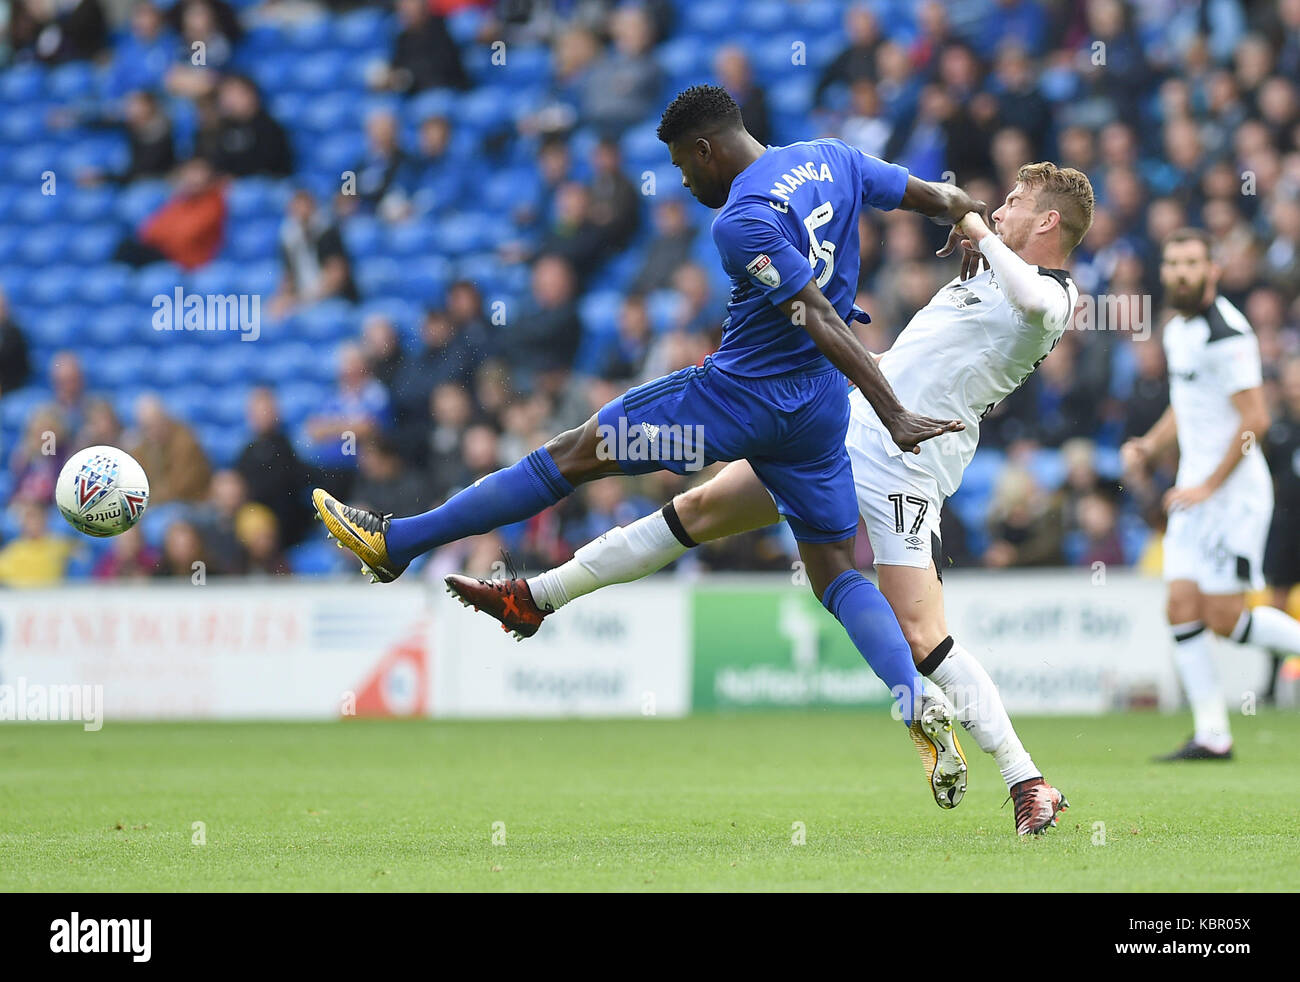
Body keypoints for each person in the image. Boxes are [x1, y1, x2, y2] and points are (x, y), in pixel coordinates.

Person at [315, 85, 979, 809]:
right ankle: (913, 696)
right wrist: (975, 221)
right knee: (833, 573)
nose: (684, 182)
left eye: (681, 165)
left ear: (705, 149)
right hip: (817, 411)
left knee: (570, 454)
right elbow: (932, 195)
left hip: (731, 404)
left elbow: (816, 314)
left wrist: (895, 413)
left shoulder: (742, 220)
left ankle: (399, 542)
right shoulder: (836, 158)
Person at [448, 162, 1092, 836]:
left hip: (909, 466)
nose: (1000, 209)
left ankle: (1027, 780)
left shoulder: (1056, 294)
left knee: (924, 636)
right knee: (696, 511)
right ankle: (537, 597)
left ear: (1047, 221)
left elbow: (1034, 303)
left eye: (1014, 203)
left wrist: (978, 230)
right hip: (847, 429)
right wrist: (977, 242)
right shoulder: (991, 272)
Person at [1122, 228, 1300, 761]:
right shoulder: (1178, 330)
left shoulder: (1229, 334)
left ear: (1212, 271)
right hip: (1193, 495)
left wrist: (1207, 486)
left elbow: (1256, 422)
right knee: (1179, 606)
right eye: (1173, 263)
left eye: (1192, 263)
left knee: (1225, 619)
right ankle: (1212, 735)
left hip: (1232, 497)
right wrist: (1151, 448)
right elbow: (1187, 404)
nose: (1180, 272)